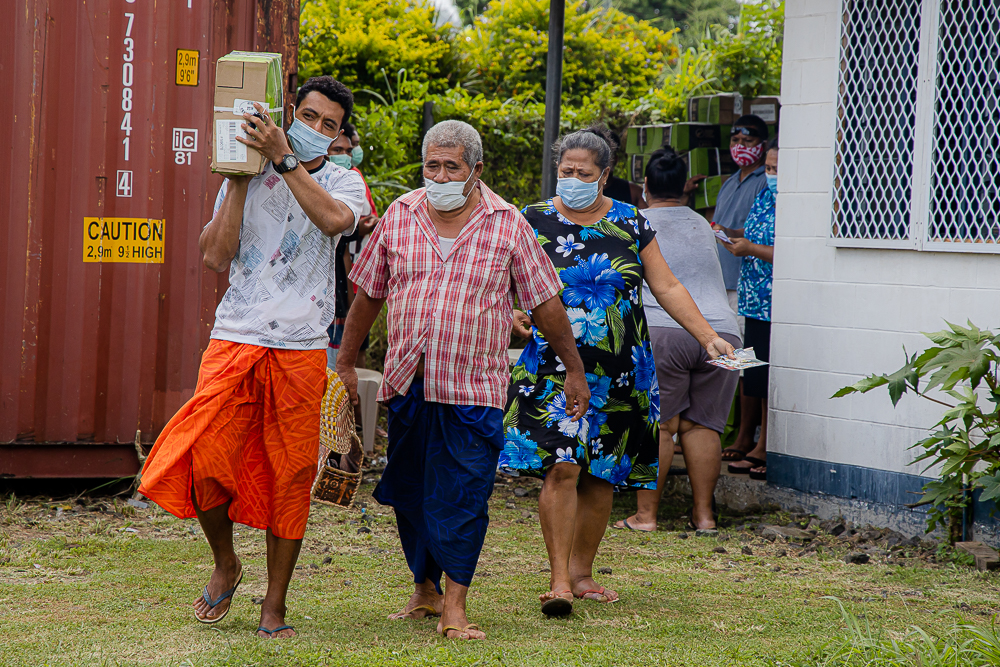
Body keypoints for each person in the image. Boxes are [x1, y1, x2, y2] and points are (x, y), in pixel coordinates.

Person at [337, 120, 590, 640]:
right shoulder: (401, 215)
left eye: (452, 166)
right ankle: (424, 589)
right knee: (411, 493)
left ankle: (456, 605)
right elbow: (368, 295)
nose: (440, 175)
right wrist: (346, 360)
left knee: (464, 494)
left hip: (474, 388)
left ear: (475, 170)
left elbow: (545, 303)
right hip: (409, 384)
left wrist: (574, 367)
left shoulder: (507, 224)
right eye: (432, 165)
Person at [138, 76, 366, 639]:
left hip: (302, 347)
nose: (315, 129)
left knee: (291, 475)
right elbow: (215, 257)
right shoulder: (244, 169)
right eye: (307, 116)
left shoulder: (344, 180)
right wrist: (240, 178)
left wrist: (286, 160)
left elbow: (335, 223)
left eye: (328, 124)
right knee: (202, 460)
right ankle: (226, 562)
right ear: (290, 112)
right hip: (234, 337)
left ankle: (275, 605)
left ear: (341, 135)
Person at [503, 125, 735, 617]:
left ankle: (584, 573)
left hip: (622, 370)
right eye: (565, 171)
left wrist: (706, 336)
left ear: (604, 176)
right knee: (563, 465)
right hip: (552, 367)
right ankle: (559, 580)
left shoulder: (631, 222)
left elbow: (667, 286)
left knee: (602, 475)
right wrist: (508, 313)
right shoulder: (533, 219)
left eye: (583, 173)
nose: (572, 180)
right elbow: (501, 279)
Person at [610, 148, 742, 533]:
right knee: (705, 426)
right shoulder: (704, 224)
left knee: (662, 425)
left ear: (645, 186)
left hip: (663, 329)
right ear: (686, 186)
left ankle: (646, 516)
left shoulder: (634, 221)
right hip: (723, 332)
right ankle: (704, 516)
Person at [711, 114, 770, 463]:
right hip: (727, 281)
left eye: (748, 143)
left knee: (749, 361)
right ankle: (733, 428)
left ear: (761, 146)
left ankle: (748, 433)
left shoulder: (766, 183)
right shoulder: (731, 181)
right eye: (736, 142)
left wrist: (734, 237)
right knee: (733, 359)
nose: (740, 148)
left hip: (752, 285)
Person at [724, 138, 777, 480]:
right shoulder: (764, 194)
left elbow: (788, 252)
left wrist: (751, 249)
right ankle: (745, 435)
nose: (772, 176)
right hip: (752, 299)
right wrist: (731, 236)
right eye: (769, 169)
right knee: (749, 368)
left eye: (777, 170)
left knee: (767, 371)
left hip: (775, 304)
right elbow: (754, 232)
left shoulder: (798, 204)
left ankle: (765, 445)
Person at [327, 121, 378, 370]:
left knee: (349, 354)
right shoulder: (326, 185)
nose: (348, 155)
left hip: (351, 287)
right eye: (339, 150)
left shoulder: (353, 180)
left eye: (351, 149)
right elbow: (343, 244)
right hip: (341, 290)